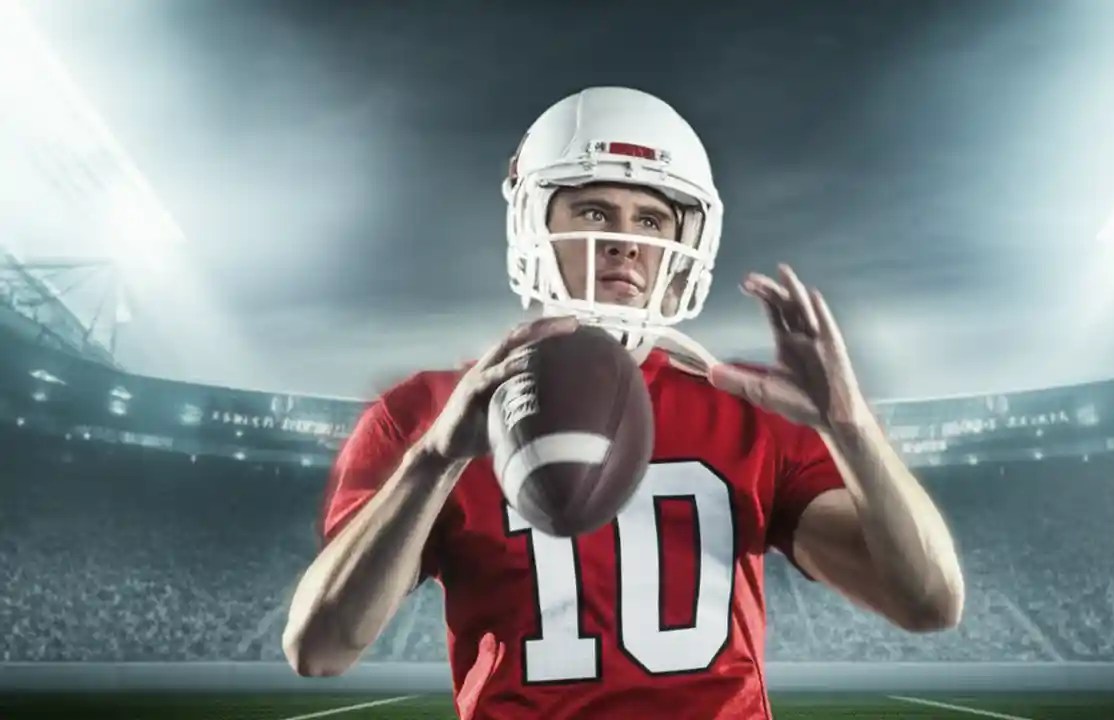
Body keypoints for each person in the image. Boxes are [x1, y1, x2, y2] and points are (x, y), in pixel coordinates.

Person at [283, 86, 965, 719]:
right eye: (593, 211)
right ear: (533, 223)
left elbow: (928, 602)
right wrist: (435, 459)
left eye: (652, 219)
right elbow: (319, 648)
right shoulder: (428, 412)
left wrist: (850, 427)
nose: (625, 241)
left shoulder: (753, 410)